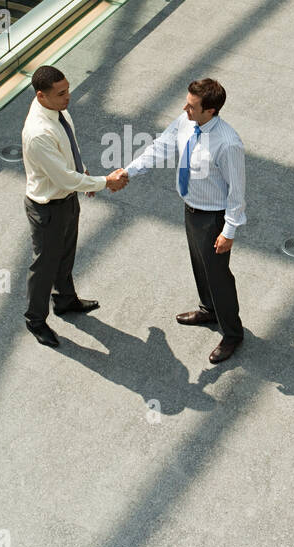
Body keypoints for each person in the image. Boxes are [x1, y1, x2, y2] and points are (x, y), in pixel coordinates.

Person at [119, 77, 245, 364]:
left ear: (210, 110)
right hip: (190, 209)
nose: (185, 109)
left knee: (218, 276)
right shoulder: (186, 122)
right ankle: (209, 309)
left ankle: (233, 334)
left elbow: (238, 192)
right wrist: (128, 171)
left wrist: (229, 231)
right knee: (200, 266)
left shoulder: (228, 144)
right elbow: (160, 148)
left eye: (191, 106)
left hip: (213, 218)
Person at [21, 65, 126, 347]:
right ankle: (35, 320)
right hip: (48, 207)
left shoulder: (57, 111)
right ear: (41, 96)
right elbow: (63, 177)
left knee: (65, 255)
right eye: (61, 93)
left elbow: (68, 152)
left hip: (66, 198)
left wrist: (85, 174)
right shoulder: (39, 133)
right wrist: (104, 182)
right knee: (45, 266)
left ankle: (66, 300)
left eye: (68, 89)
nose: (68, 96)